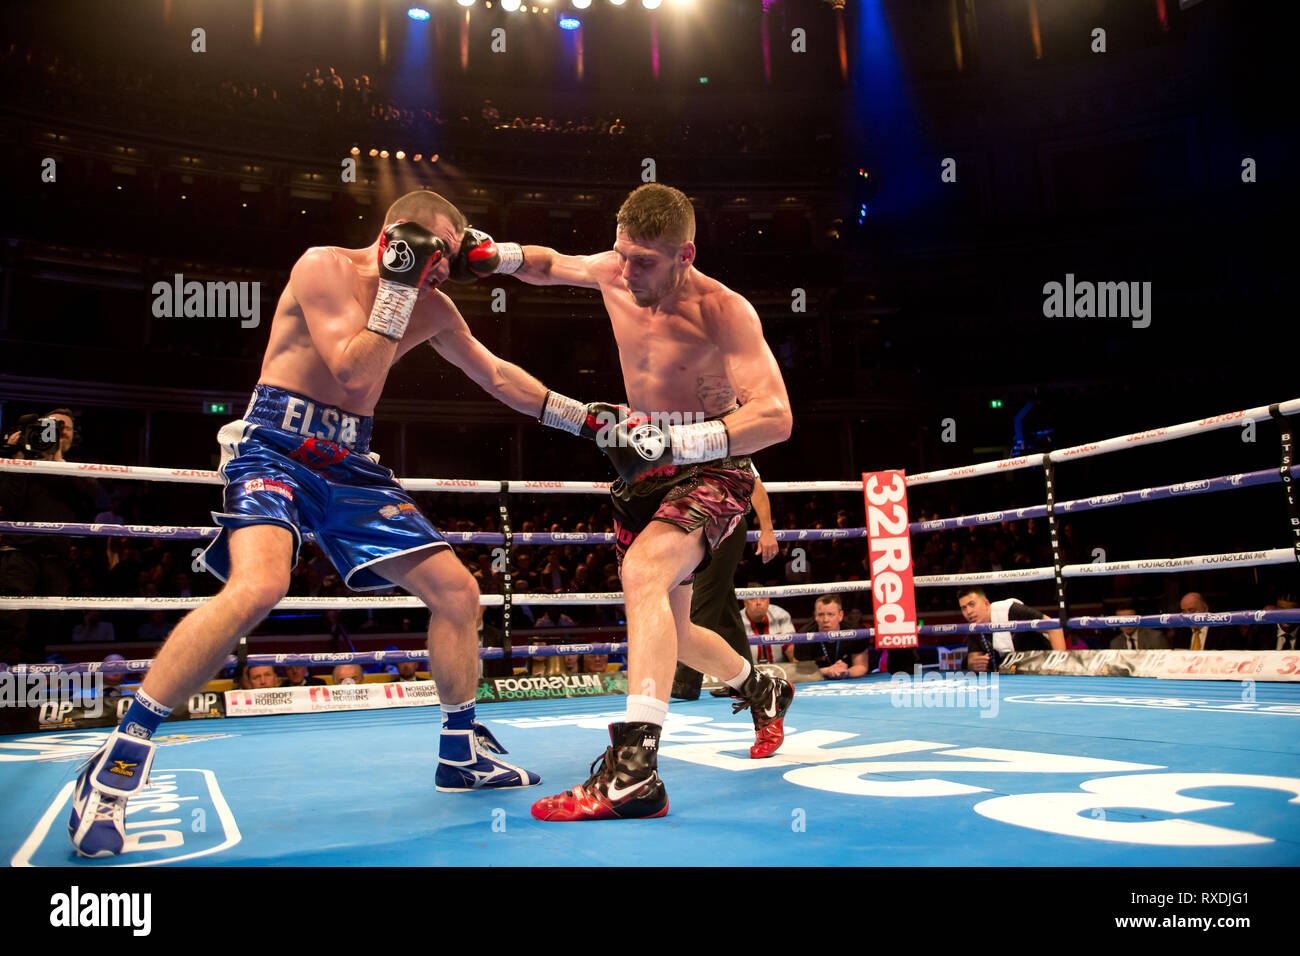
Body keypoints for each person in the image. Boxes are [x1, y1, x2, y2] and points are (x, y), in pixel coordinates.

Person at [69, 189, 567, 858]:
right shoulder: (322, 266)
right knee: (259, 586)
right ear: (401, 237)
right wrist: (397, 285)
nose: (446, 267)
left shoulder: (434, 307)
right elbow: (353, 371)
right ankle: (116, 763)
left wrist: (588, 419)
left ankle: (460, 752)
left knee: (459, 594)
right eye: (438, 251)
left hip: (350, 461)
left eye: (451, 255)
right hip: (275, 445)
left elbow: (499, 375)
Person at [471, 182, 795, 820]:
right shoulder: (616, 270)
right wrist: (493, 255)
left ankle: (634, 772)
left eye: (644, 260)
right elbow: (548, 264)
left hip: (714, 463)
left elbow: (777, 417)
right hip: (641, 472)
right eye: (622, 254)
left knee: (641, 573)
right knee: (674, 631)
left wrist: (680, 438)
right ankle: (762, 687)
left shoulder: (724, 311)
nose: (626, 270)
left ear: (685, 254)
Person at [670, 472, 781, 700]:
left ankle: (686, 681)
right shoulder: (687, 450)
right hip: (699, 523)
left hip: (726, 524)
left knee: (704, 599)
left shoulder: (728, 446)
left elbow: (756, 486)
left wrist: (767, 530)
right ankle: (747, 682)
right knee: (724, 606)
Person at [958, 586, 1066, 672]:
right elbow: (973, 658)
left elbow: (1055, 627)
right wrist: (974, 664)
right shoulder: (975, 625)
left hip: (1041, 665)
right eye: (964, 608)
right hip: (1014, 674)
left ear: (986, 603)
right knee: (964, 664)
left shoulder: (1011, 610)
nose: (968, 612)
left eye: (972, 604)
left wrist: (1059, 667)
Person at [791, 594, 869, 679]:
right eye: (821, 614)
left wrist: (845, 672)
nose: (825, 620)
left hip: (849, 679)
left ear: (840, 615)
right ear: (815, 616)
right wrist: (827, 671)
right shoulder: (804, 635)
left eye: (830, 614)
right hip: (817, 681)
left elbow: (861, 667)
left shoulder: (855, 631)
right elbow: (800, 671)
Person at [1172, 591, 1244, 650]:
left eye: (1192, 610)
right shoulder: (1181, 632)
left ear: (1205, 609)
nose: (1187, 616)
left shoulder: (1224, 633)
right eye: (1184, 612)